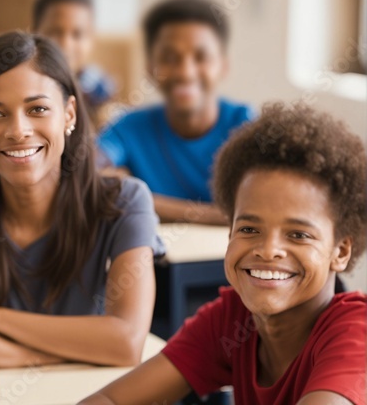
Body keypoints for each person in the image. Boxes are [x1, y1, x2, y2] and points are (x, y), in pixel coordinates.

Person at [0, 31, 162, 369]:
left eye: (37, 108)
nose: (18, 130)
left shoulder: (125, 201)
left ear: (69, 115)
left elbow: (124, 342)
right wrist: (39, 357)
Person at [79, 103, 367, 405]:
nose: (268, 250)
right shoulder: (234, 321)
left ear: (341, 251)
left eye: (298, 235)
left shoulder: (355, 335)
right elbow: (110, 399)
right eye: (249, 229)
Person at [97, 0, 255, 225]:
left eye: (201, 57)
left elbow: (255, 214)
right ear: (150, 67)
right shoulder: (127, 129)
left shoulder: (246, 127)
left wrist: (140, 200)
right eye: (170, 58)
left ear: (223, 66)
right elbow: (90, 173)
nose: (185, 72)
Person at [32, 0, 116, 126]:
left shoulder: (99, 89)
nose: (66, 44)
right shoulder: (25, 84)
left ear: (91, 39)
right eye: (54, 32)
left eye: (77, 34)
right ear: (34, 32)